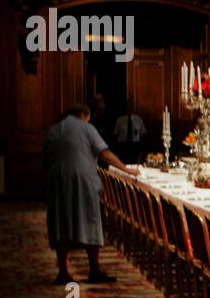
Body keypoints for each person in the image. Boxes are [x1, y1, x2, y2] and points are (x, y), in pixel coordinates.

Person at [44, 103, 139, 285]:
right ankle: (94, 270)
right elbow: (105, 154)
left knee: (61, 222)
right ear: (83, 115)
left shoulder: (53, 130)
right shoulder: (87, 127)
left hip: (57, 180)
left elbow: (46, 159)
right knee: (91, 221)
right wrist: (126, 170)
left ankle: (63, 271)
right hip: (84, 180)